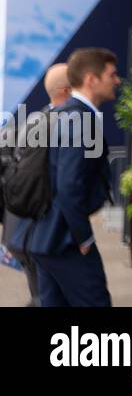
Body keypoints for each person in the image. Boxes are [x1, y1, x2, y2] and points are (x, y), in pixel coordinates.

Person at [26, 48, 119, 307]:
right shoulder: (79, 120)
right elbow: (69, 185)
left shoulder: (63, 115)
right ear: (91, 79)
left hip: (46, 238)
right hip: (65, 240)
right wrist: (84, 237)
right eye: (111, 74)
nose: (117, 80)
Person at [0, 63, 72, 304]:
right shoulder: (59, 128)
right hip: (38, 234)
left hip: (20, 230)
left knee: (42, 294)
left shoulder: (31, 123)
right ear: (67, 90)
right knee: (47, 297)